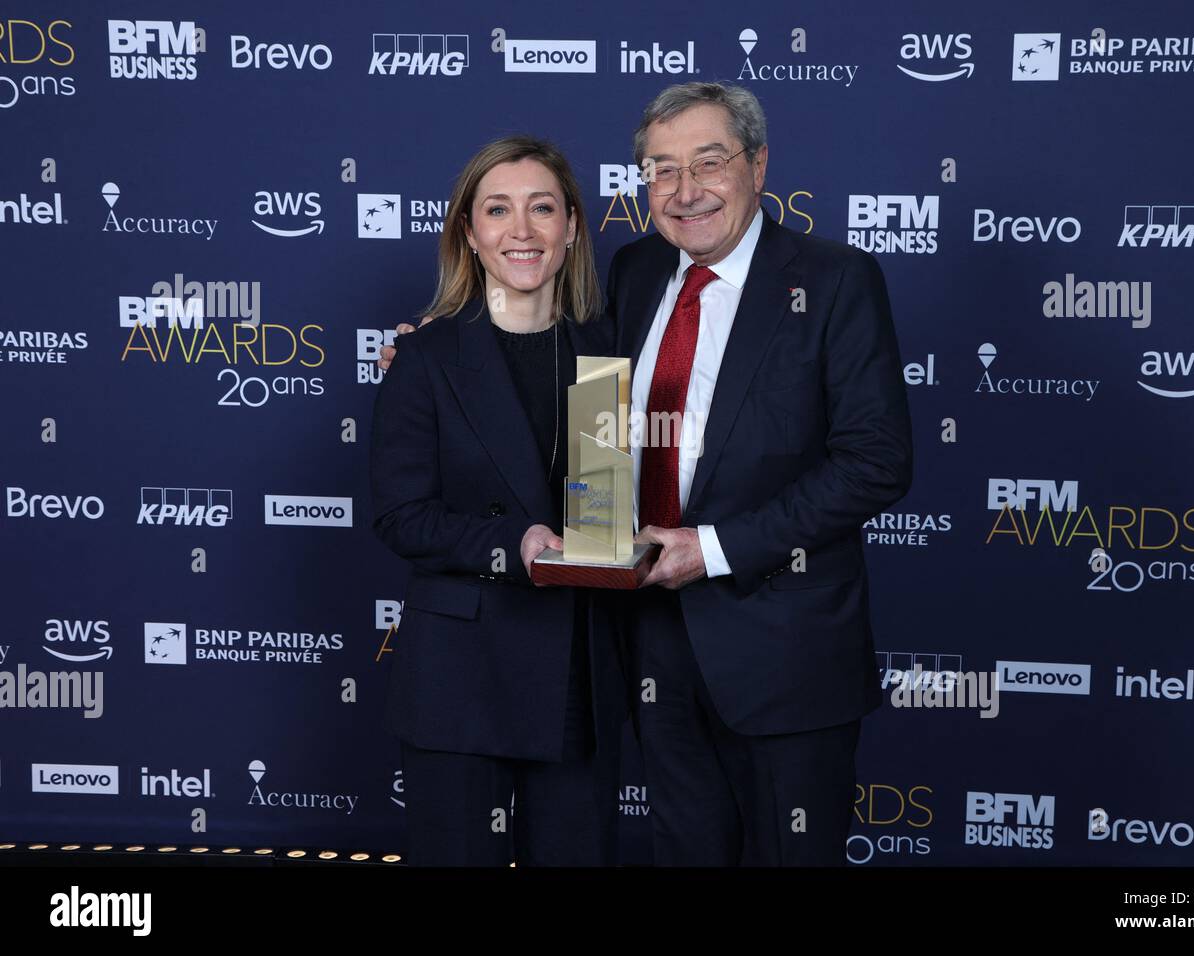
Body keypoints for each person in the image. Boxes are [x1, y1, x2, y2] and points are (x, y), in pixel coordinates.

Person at [381, 82, 912, 867]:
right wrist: (436, 352)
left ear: (758, 165)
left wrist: (715, 547)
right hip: (648, 647)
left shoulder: (835, 282)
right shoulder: (632, 275)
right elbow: (545, 381)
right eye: (661, 170)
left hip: (781, 652)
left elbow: (878, 462)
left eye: (708, 162)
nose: (685, 190)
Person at [369, 136, 623, 866]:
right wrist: (512, 545)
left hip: (577, 680)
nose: (522, 230)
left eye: (542, 208)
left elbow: (603, 521)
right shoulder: (425, 357)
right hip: (461, 681)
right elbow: (399, 514)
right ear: (470, 235)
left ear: (571, 227)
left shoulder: (603, 355)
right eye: (498, 210)